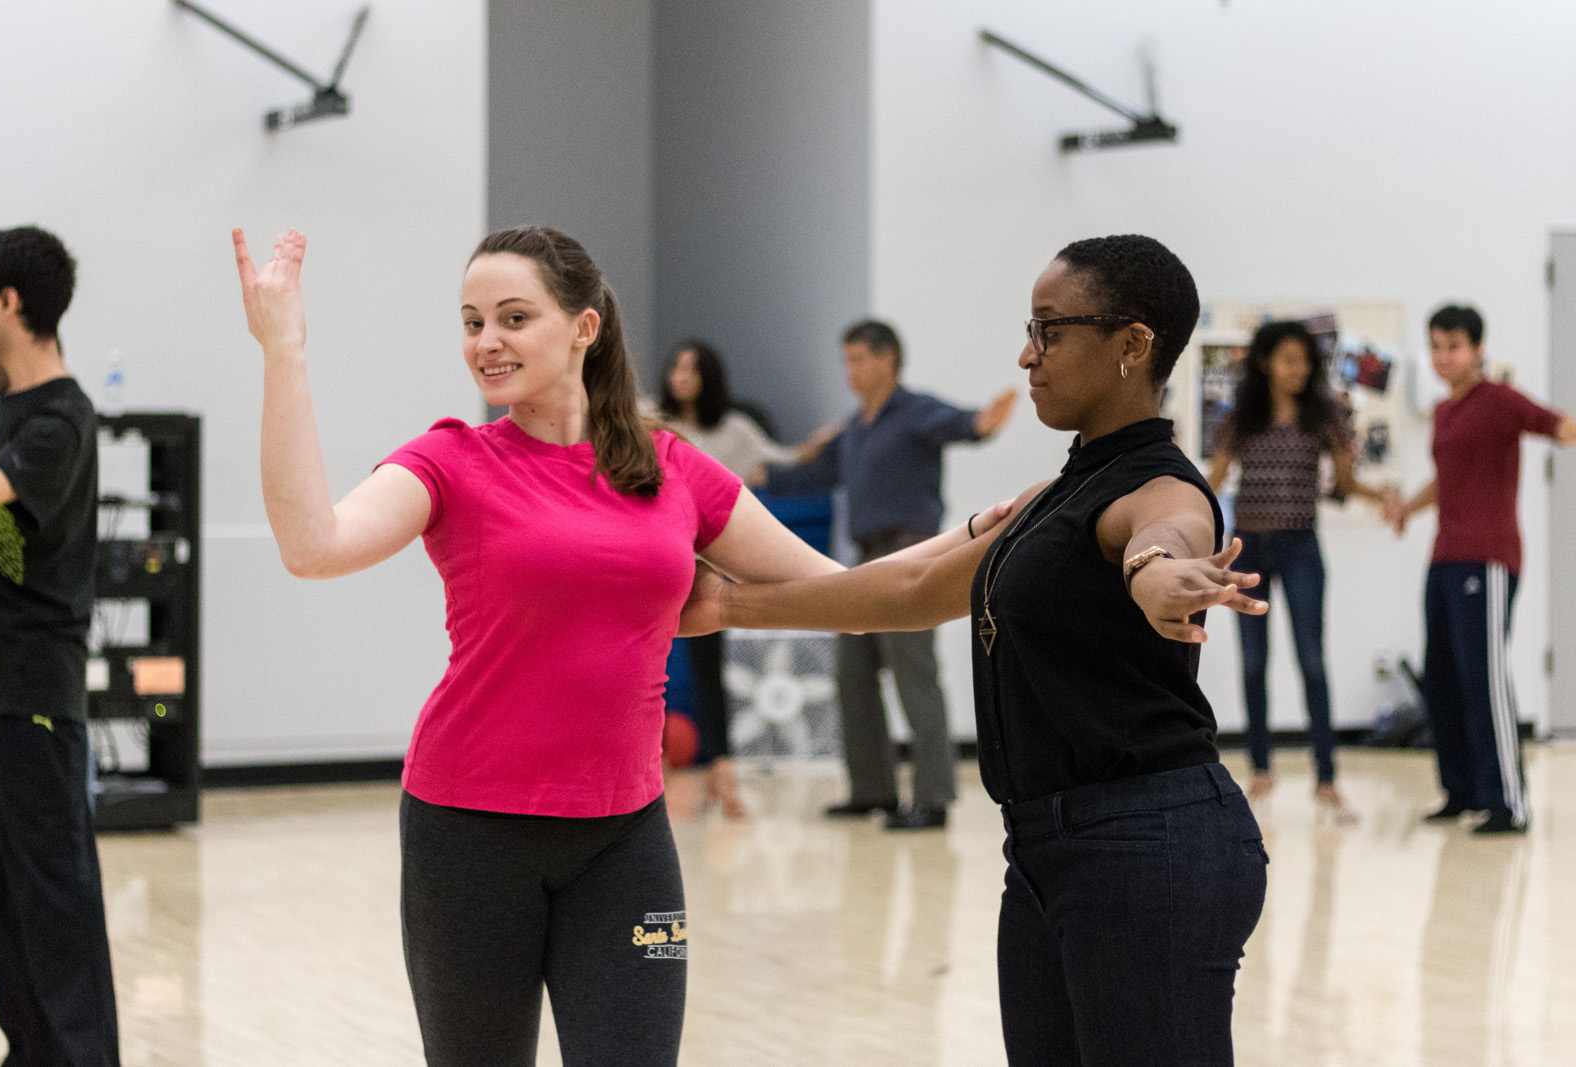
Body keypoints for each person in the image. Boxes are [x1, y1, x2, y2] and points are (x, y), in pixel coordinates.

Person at [230, 225, 1011, 1065]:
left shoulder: (674, 468)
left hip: (624, 839)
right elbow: (313, 545)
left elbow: (843, 592)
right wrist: (285, 351)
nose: (486, 341)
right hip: (466, 833)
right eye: (471, 321)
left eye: (513, 316)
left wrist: (981, 534)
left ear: (584, 327)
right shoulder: (451, 461)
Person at [682, 234, 1270, 1066]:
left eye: (1051, 330)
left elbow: (1163, 539)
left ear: (1133, 345)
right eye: (1029, 328)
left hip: (1149, 846)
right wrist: (727, 604)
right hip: (1042, 851)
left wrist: (1161, 574)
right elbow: (910, 591)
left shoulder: (1160, 488)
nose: (1026, 355)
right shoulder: (1056, 497)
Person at [760, 320, 1018, 830]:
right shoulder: (855, 427)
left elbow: (966, 425)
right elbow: (814, 471)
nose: (850, 371)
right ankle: (872, 790)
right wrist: (750, 476)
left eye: (858, 359)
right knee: (852, 672)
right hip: (866, 558)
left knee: (912, 672)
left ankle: (933, 797)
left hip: (913, 553)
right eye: (846, 361)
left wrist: (987, 421)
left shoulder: (914, 411)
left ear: (888, 359)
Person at [0, 226, 119, 1067]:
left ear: (8, 301)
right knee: (4, 912)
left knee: (55, 912)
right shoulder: (6, 410)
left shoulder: (63, 416)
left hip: (34, 702)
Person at [1387, 305, 1576, 834]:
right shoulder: (1446, 413)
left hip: (1489, 560)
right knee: (1443, 678)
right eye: (1437, 346)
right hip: (1443, 557)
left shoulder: (1499, 400)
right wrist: (1406, 508)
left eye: (1455, 345)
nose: (1444, 356)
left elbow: (1558, 426)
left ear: (1477, 349)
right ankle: (1463, 791)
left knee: (1483, 679)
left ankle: (1508, 803)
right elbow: (1447, 479)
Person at [1206, 321, 1393, 818]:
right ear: (1265, 361)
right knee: (1253, 664)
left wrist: (1387, 499)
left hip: (1300, 547)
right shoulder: (1241, 417)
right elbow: (1215, 479)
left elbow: (1348, 483)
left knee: (1312, 662)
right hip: (1247, 549)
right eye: (1288, 358)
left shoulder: (1323, 415)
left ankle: (1326, 780)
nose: (1298, 369)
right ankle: (1261, 771)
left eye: (1305, 360)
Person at [655, 338, 835, 818]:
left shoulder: (734, 430)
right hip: (655, 563)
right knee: (645, 664)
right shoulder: (653, 425)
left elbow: (783, 457)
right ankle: (647, 769)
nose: (682, 376)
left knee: (710, 672)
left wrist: (813, 446)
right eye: (676, 367)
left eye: (692, 368)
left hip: (706, 570)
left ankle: (723, 770)